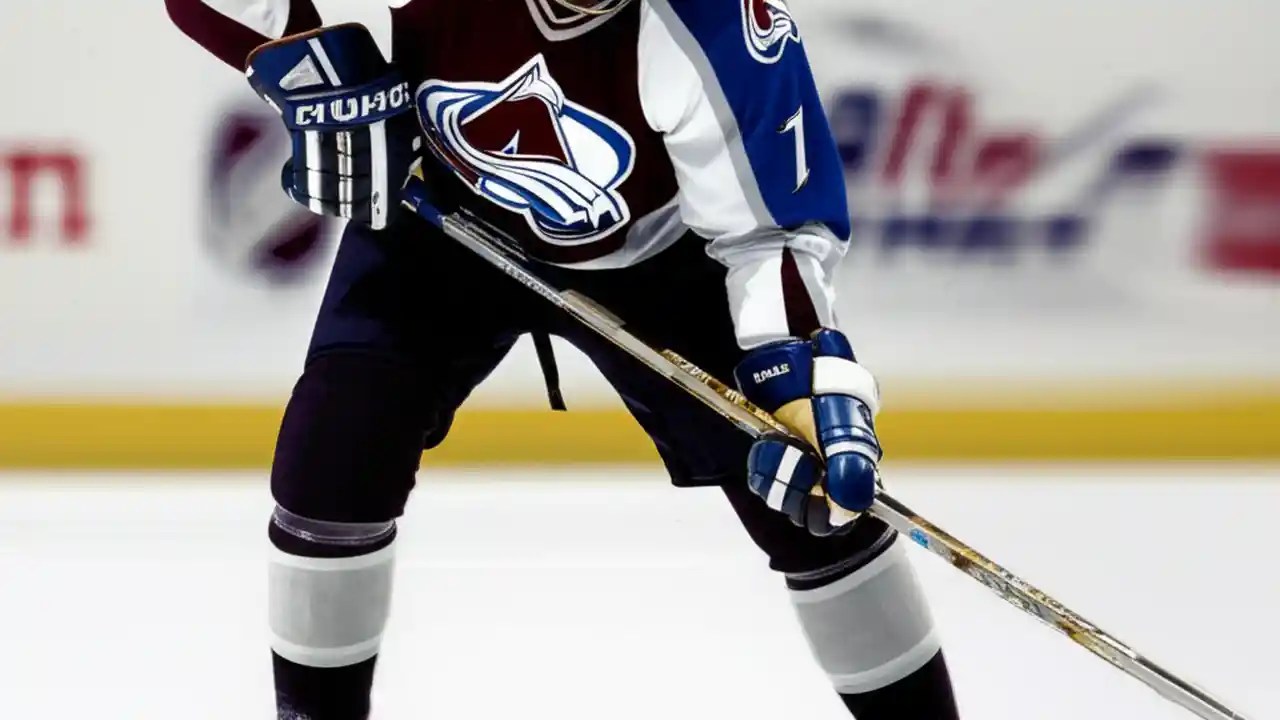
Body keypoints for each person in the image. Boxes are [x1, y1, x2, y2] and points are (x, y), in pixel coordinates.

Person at [165, 1, 961, 717]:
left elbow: (770, 233)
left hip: (661, 259)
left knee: (816, 513)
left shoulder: (710, 23)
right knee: (332, 453)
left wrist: (795, 379)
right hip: (441, 220)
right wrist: (300, 56)